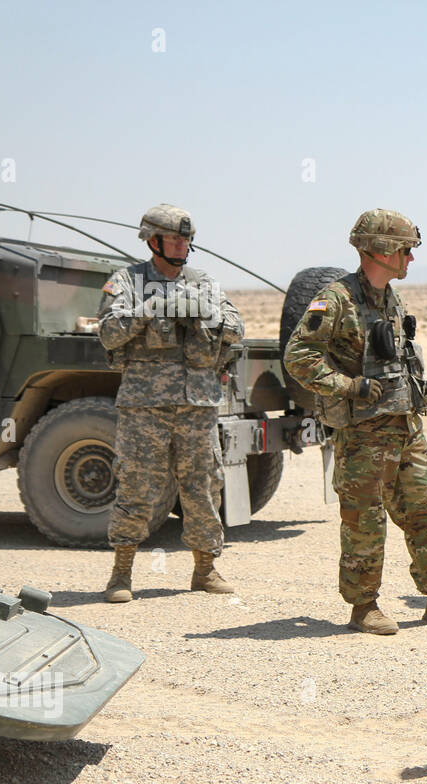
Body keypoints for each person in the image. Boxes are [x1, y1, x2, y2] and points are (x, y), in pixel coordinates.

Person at [283, 209, 427, 634]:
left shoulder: (392, 298)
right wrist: (348, 386)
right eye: (406, 250)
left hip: (405, 426)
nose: (411, 258)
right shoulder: (335, 299)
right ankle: (364, 607)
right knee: (364, 519)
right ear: (382, 249)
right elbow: (298, 357)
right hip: (363, 433)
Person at [99, 204, 243, 602]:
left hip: (197, 404)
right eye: (175, 239)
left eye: (186, 239)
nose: (182, 245)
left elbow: (237, 328)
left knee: (203, 484)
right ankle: (121, 573)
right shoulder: (127, 281)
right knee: (137, 484)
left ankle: (205, 568)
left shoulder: (204, 283)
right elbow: (109, 332)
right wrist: (150, 308)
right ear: (153, 241)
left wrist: (208, 314)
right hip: (144, 405)